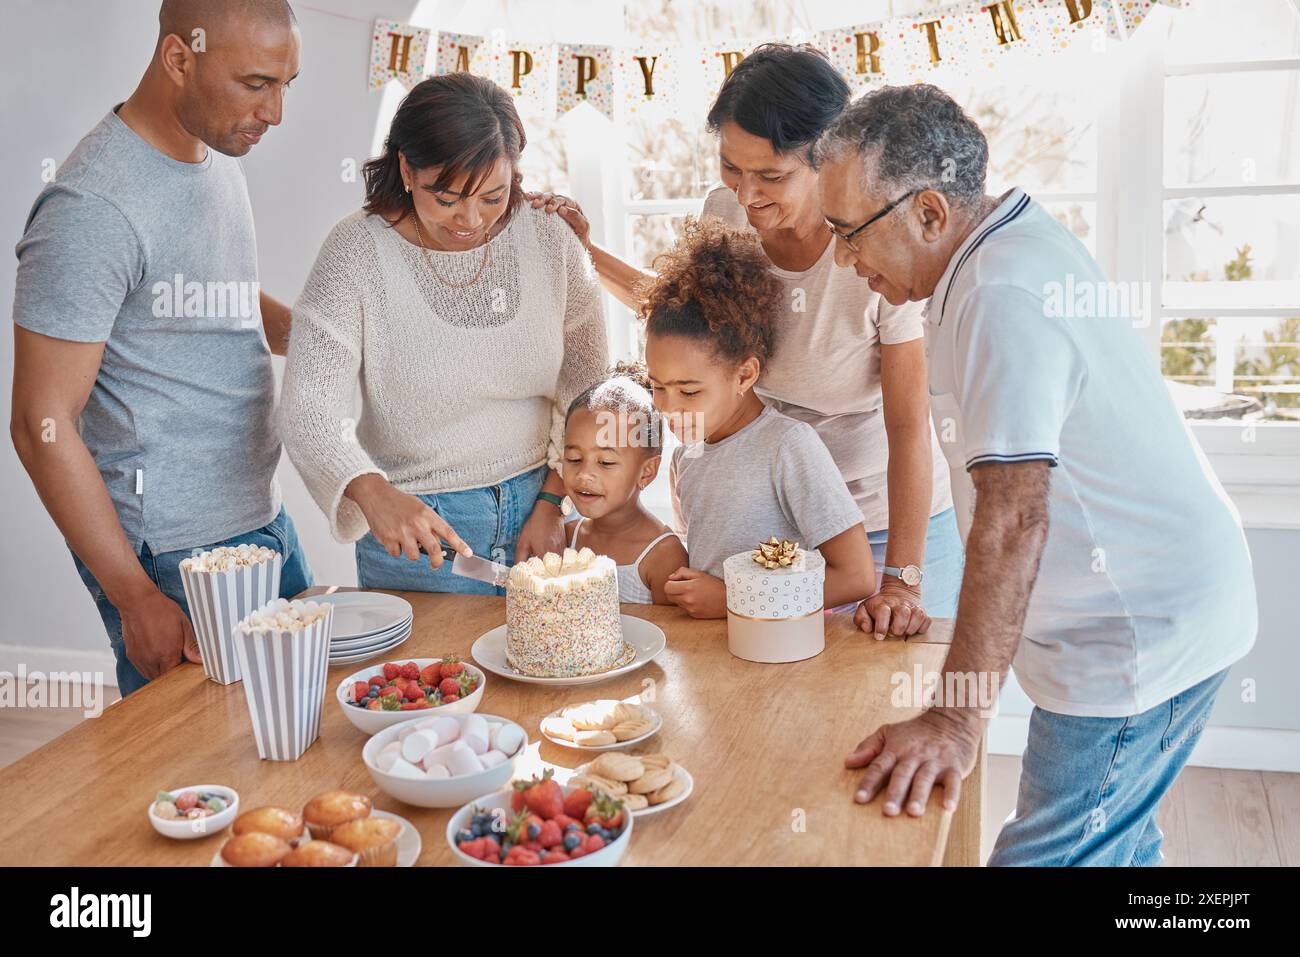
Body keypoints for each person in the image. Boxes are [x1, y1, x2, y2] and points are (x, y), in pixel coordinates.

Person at [816, 83, 1257, 866]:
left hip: (1137, 636)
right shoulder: (998, 251)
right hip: (1159, 612)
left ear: (927, 213)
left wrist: (953, 719)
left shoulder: (1001, 289)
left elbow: (1014, 519)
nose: (844, 258)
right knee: (1114, 843)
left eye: (850, 232)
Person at [531, 44, 960, 638]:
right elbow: (685, 322)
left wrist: (900, 579)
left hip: (881, 523)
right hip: (770, 523)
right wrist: (586, 250)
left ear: (827, 160)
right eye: (732, 167)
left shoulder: (873, 241)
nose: (747, 192)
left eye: (771, 175)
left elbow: (909, 427)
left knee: (898, 704)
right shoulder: (727, 210)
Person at [10, 0, 313, 696]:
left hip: (260, 518)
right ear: (179, 58)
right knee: (205, 781)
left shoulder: (212, 151)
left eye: (285, 85)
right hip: (173, 555)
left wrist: (322, 340)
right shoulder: (92, 210)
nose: (275, 114)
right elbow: (38, 423)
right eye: (256, 83)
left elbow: (214, 298)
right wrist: (133, 595)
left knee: (296, 745)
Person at [280, 73, 609, 592]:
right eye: (448, 197)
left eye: (493, 197)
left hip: (542, 518)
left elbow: (586, 389)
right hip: (420, 538)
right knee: (436, 675)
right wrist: (370, 491)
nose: (470, 220)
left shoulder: (549, 239)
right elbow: (307, 408)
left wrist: (553, 499)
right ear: (407, 169)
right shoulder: (356, 252)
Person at [641, 217, 879, 621]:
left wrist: (734, 596)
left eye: (689, 391)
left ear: (745, 375)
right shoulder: (687, 456)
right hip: (715, 661)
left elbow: (856, 577)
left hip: (781, 661)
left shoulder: (789, 446)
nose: (668, 407)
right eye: (657, 386)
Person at [561, 362, 687, 604]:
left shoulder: (663, 554)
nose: (585, 474)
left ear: (647, 471)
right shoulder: (567, 538)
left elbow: (675, 637)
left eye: (606, 462)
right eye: (574, 459)